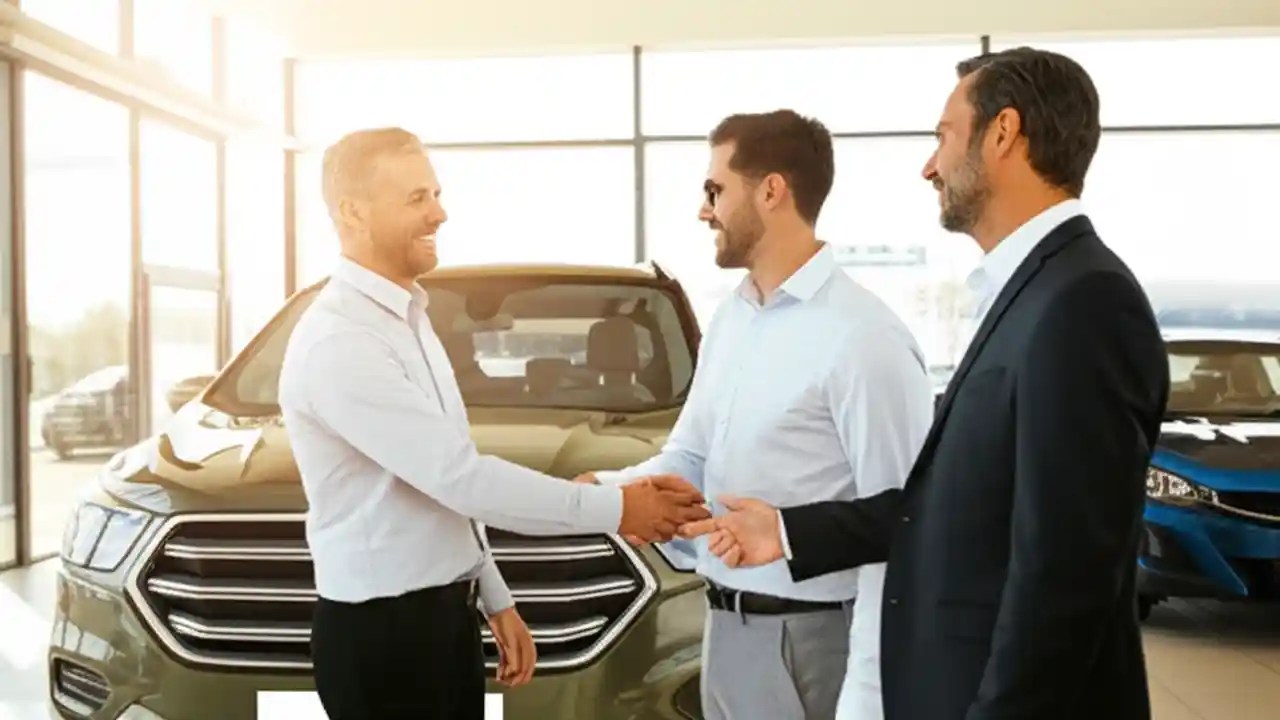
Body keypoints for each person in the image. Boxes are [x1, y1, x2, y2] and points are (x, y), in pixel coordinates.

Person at [682, 47, 1170, 720]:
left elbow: (1065, 582)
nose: (929, 165)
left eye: (943, 136)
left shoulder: (1082, 302)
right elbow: (955, 506)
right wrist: (791, 530)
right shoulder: (1035, 295)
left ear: (1003, 133)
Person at [276, 127, 710, 720]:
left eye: (435, 193)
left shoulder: (407, 316)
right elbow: (460, 479)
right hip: (385, 641)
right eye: (416, 199)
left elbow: (440, 485)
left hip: (437, 621)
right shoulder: (341, 340)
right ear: (352, 212)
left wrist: (492, 596)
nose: (440, 212)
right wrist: (621, 509)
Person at [576, 110, 933, 719]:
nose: (702, 210)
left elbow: (909, 521)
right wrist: (607, 492)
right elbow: (692, 457)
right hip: (727, 631)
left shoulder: (864, 338)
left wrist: (870, 695)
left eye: (715, 190)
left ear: (772, 191)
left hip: (817, 645)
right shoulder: (734, 320)